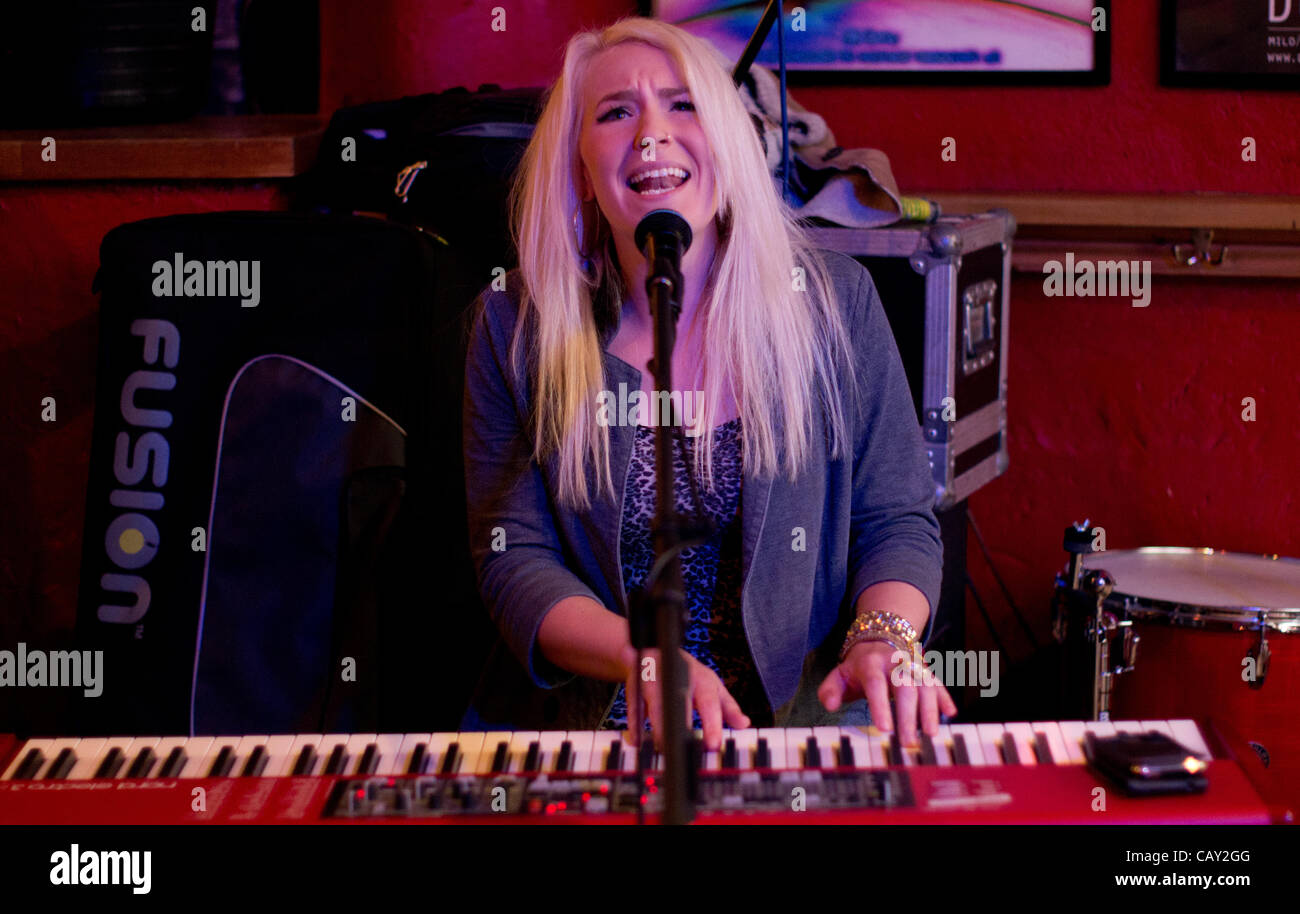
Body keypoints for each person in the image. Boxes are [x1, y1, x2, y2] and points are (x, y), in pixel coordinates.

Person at [460, 17, 953, 752]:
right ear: (581, 173)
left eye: (683, 103)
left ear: (728, 146)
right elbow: (513, 553)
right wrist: (645, 663)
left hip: (803, 724)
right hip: (601, 728)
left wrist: (882, 638)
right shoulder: (513, 326)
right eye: (616, 112)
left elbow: (896, 521)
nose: (651, 134)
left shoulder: (835, 304)